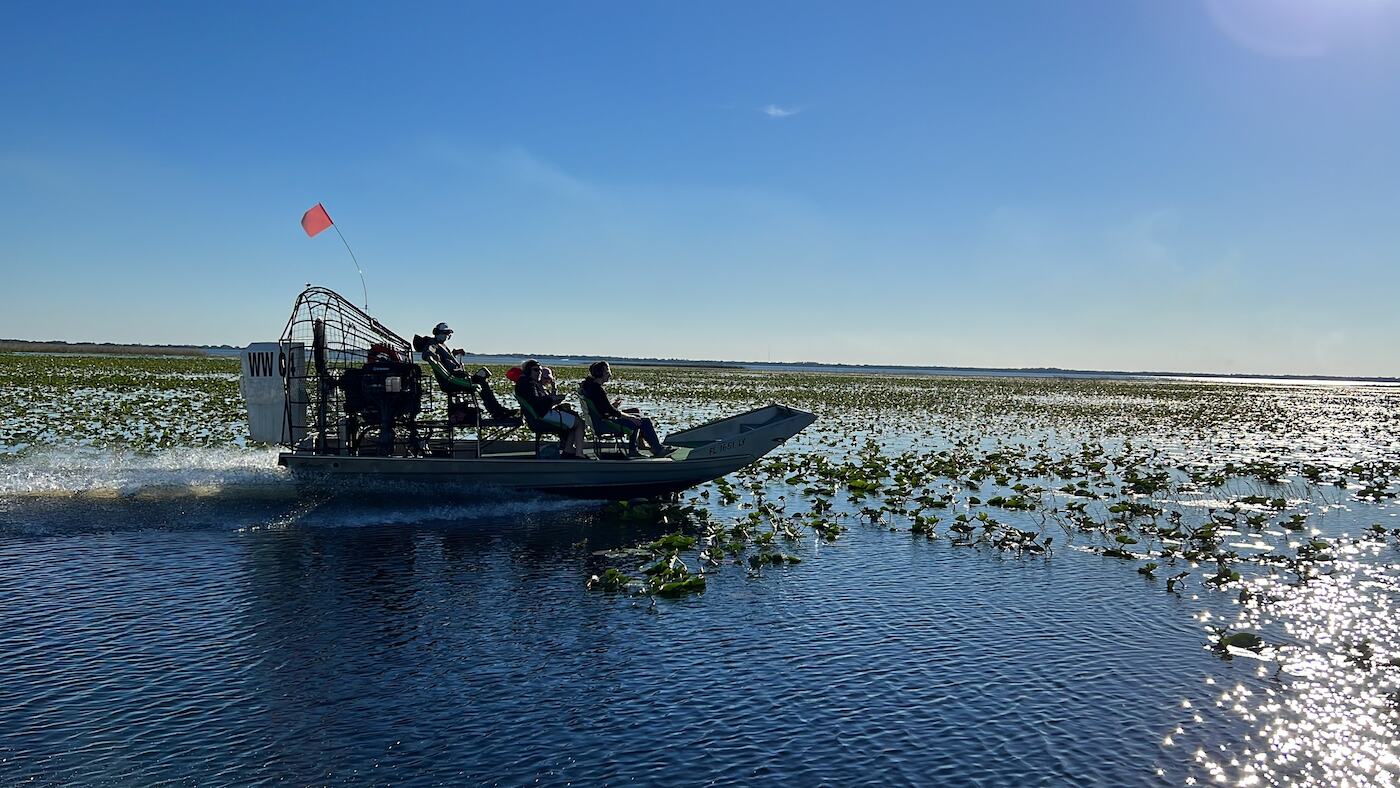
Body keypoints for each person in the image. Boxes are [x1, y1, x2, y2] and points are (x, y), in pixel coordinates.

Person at [581, 361, 674, 458]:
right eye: (607, 371)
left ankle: (641, 446)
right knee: (644, 421)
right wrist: (631, 418)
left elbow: (603, 408)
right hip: (605, 423)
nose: (610, 374)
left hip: (601, 420)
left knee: (636, 413)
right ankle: (654, 449)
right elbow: (610, 411)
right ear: (600, 373)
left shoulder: (591, 387)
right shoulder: (597, 390)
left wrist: (613, 406)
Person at [514, 358, 589, 459]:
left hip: (541, 414)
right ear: (528, 371)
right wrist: (552, 399)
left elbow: (538, 401)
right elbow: (537, 402)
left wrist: (552, 399)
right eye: (536, 370)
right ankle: (579, 454)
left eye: (540, 370)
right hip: (542, 416)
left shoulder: (526, 382)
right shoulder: (529, 384)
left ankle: (568, 450)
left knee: (573, 418)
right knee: (579, 423)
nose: (539, 372)